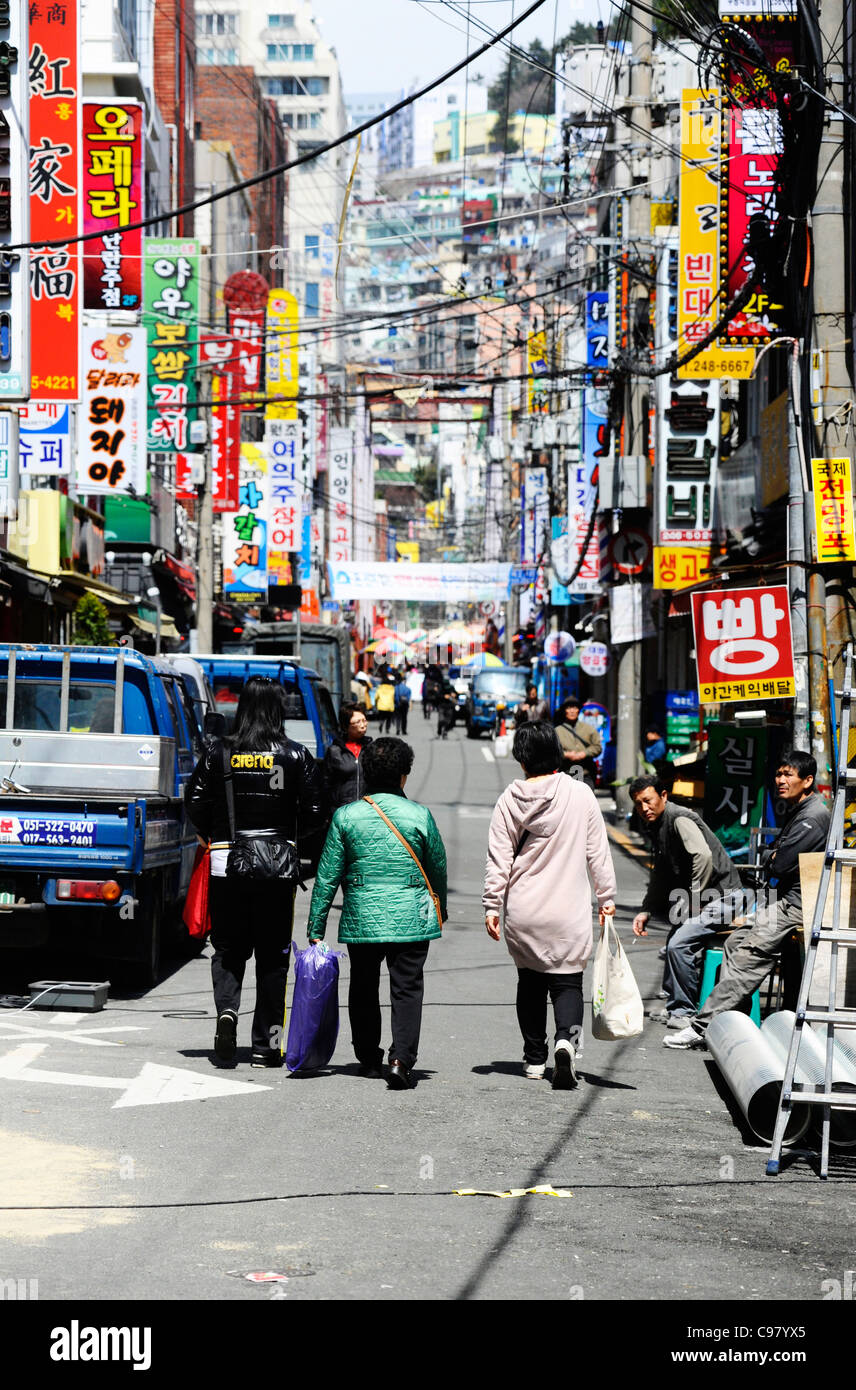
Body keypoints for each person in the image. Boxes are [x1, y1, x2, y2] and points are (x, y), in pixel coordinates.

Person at [186, 677, 326, 1068]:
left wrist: (211, 834)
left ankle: (227, 1013)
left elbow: (194, 801)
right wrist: (288, 839)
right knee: (273, 957)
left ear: (242, 708)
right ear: (278, 709)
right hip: (277, 870)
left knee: (228, 950)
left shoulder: (220, 752)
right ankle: (267, 1044)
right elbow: (318, 813)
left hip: (225, 863)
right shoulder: (296, 755)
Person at [664, 750, 831, 1049]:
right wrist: (774, 854)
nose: (780, 780)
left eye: (788, 775)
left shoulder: (813, 817)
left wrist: (774, 855)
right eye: (779, 774)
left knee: (747, 955)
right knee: (735, 942)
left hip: (798, 905)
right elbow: (774, 855)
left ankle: (701, 1026)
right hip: (784, 900)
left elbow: (778, 864)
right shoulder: (798, 810)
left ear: (807, 781)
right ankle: (734, 1024)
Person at [307, 738, 447, 1089]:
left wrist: (316, 924)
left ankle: (368, 1057)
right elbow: (437, 868)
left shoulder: (346, 816)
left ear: (365, 772)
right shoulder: (420, 815)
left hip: (363, 914)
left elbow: (327, 874)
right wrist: (438, 908)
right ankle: (401, 1058)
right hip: (411, 915)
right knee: (407, 988)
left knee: (364, 984)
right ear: (404, 776)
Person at [483, 721, 617, 1089]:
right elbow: (597, 854)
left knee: (529, 982)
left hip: (524, 910)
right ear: (557, 752)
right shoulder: (580, 794)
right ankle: (566, 1043)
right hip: (568, 910)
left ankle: (533, 1059)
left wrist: (492, 905)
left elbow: (499, 858)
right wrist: (606, 897)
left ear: (521, 759)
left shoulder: (510, 799)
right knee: (568, 982)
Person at [630, 774, 744, 1027]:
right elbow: (659, 872)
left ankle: (684, 1012)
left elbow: (702, 856)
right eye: (638, 804)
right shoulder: (658, 825)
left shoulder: (679, 818)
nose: (644, 808)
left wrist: (693, 898)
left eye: (648, 801)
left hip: (724, 895)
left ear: (663, 796)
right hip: (705, 897)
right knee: (672, 941)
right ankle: (675, 1004)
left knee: (678, 944)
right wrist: (646, 910)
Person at [323, 701, 372, 809]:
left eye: (364, 720)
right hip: (342, 810)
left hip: (366, 810)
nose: (363, 725)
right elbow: (326, 784)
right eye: (358, 722)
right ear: (346, 726)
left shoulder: (371, 748)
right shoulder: (334, 751)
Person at [555, 697, 602, 787]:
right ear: (565, 711)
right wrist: (566, 755)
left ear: (579, 711)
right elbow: (552, 751)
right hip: (566, 774)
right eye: (569, 708)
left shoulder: (589, 729)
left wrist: (584, 753)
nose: (572, 711)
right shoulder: (557, 731)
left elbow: (597, 747)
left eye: (575, 708)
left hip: (586, 773)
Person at [394, 671, 412, 736]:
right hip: (405, 705)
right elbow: (408, 697)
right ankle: (404, 730)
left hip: (397, 705)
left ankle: (398, 729)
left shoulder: (395, 688)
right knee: (404, 718)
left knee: (398, 718)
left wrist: (397, 702)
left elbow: (394, 697)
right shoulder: (407, 688)